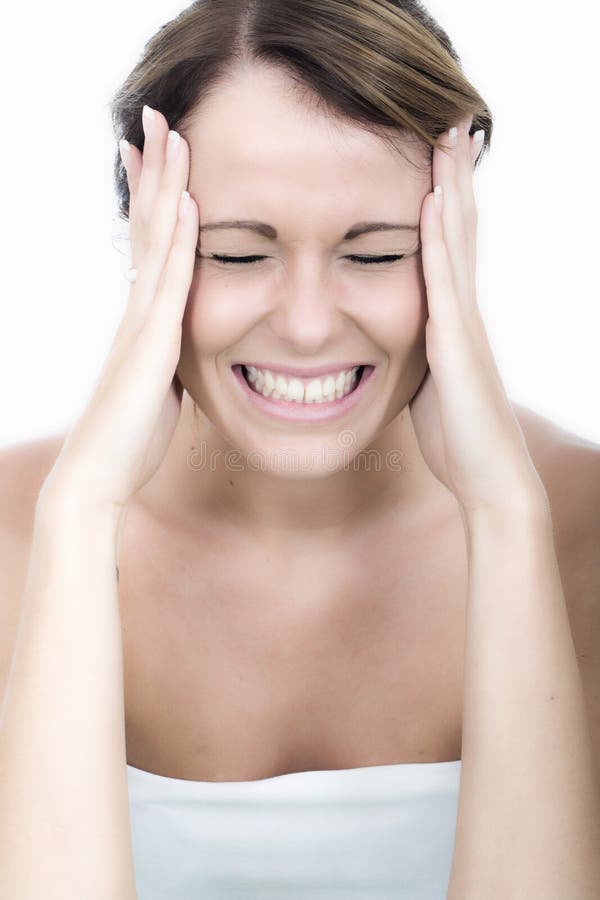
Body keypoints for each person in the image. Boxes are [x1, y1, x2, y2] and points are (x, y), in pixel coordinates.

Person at [1, 1, 599, 898]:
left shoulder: (584, 533)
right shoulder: (22, 535)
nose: (310, 326)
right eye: (239, 255)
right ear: (146, 237)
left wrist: (505, 516)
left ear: (457, 237)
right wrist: (82, 515)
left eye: (377, 253)